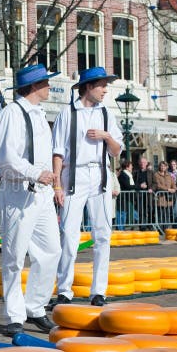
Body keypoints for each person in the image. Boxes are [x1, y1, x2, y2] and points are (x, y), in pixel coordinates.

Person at [0, 65, 63, 335]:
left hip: (41, 193)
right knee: (14, 256)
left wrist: (49, 180)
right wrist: (36, 173)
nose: (49, 87)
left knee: (51, 251)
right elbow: (5, 156)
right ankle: (14, 315)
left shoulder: (39, 114)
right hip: (18, 191)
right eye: (46, 82)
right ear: (35, 86)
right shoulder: (12, 112)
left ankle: (35, 306)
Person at [52, 66, 123, 308]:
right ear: (89, 87)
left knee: (103, 234)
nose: (105, 90)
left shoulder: (107, 114)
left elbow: (116, 150)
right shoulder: (67, 113)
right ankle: (64, 290)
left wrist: (106, 136)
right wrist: (57, 185)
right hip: (74, 174)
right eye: (102, 85)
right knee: (68, 234)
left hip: (100, 174)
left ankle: (98, 291)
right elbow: (58, 152)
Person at [133, 156, 155, 229]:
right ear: (139, 163)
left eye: (144, 162)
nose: (142, 164)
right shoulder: (136, 172)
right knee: (141, 211)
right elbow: (133, 183)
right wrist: (140, 185)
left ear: (146, 163)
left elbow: (155, 183)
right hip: (139, 194)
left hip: (149, 194)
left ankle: (150, 225)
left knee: (150, 210)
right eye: (141, 162)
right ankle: (142, 226)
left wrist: (151, 188)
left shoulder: (151, 172)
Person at [154, 161, 176, 228]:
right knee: (161, 215)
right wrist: (167, 189)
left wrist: (174, 189)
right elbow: (158, 185)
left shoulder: (169, 175)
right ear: (159, 167)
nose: (163, 167)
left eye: (164, 166)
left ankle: (166, 228)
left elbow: (173, 184)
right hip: (160, 198)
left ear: (166, 167)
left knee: (167, 215)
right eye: (161, 166)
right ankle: (160, 229)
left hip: (168, 199)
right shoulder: (156, 175)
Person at [116, 159, 136, 229]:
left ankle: (122, 227)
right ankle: (120, 228)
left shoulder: (128, 175)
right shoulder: (123, 175)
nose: (132, 167)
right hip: (122, 197)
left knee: (124, 212)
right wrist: (138, 186)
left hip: (126, 197)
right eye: (131, 166)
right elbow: (127, 186)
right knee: (121, 213)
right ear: (127, 167)